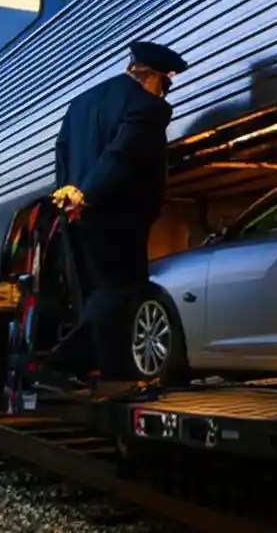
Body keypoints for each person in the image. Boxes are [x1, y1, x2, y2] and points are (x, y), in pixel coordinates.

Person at [46, 40, 187, 397]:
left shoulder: (81, 103)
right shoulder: (147, 106)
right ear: (151, 76)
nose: (164, 93)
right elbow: (121, 154)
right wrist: (88, 194)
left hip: (78, 215)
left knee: (96, 293)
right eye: (165, 84)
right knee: (123, 291)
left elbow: (61, 153)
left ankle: (104, 374)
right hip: (119, 213)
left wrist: (70, 196)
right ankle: (67, 361)